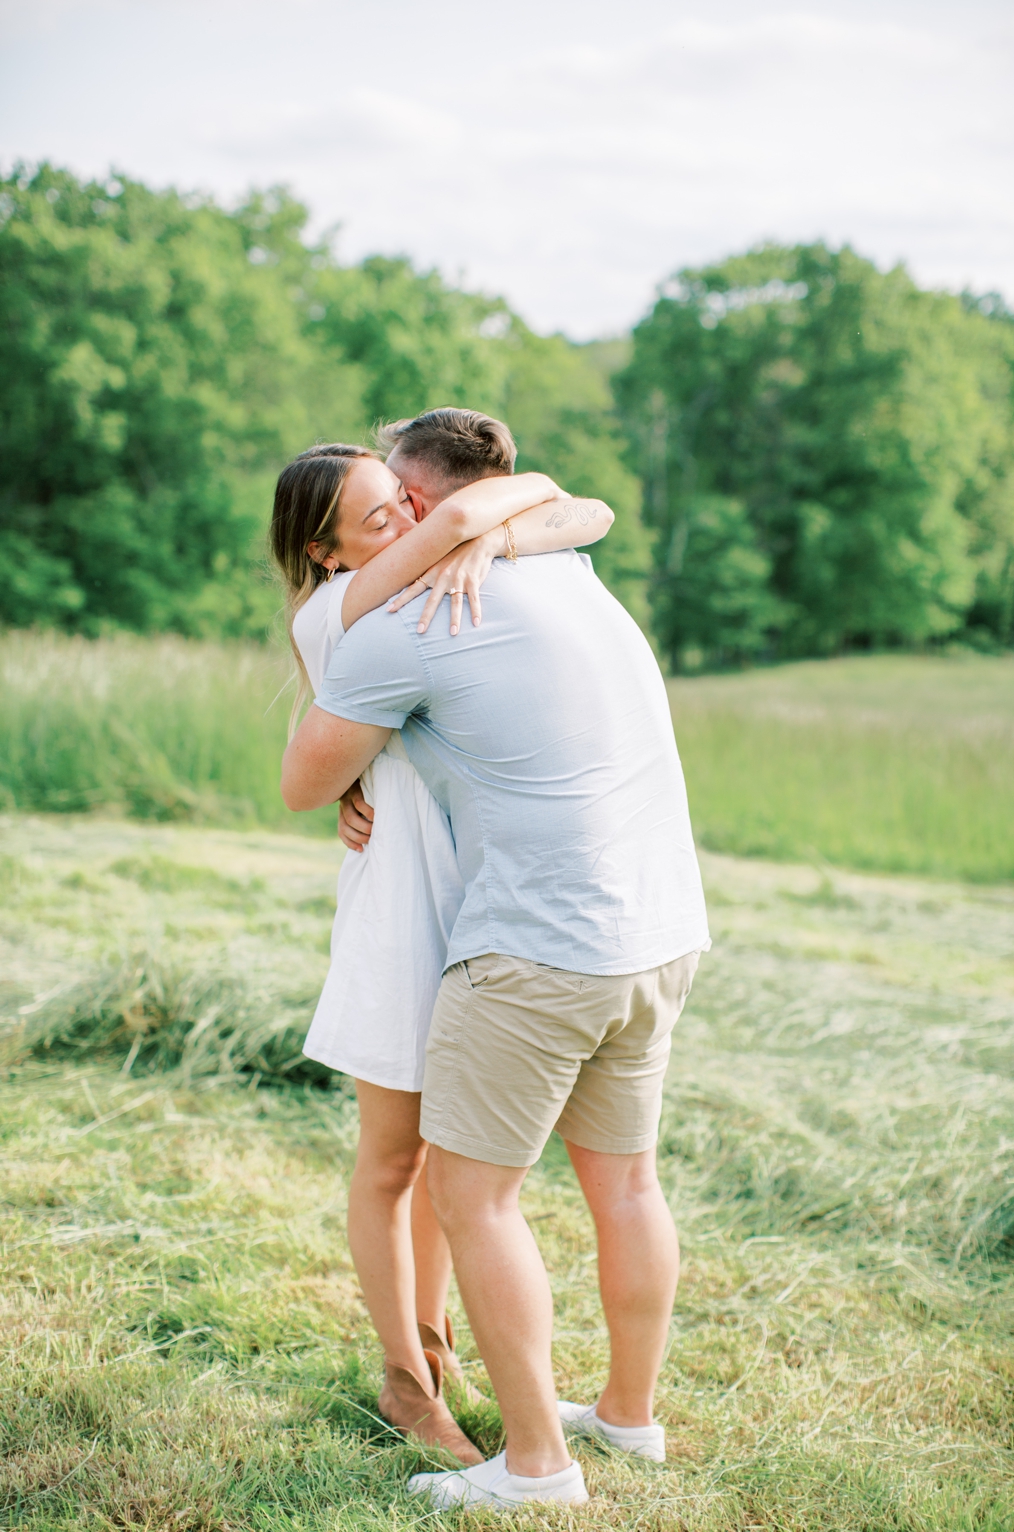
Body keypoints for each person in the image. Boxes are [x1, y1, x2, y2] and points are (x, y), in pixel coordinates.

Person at [282, 407, 711, 1510]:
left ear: (419, 503)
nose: (398, 524)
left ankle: (534, 1465)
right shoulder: (567, 563)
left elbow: (298, 772)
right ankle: (626, 1416)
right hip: (658, 925)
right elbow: (566, 503)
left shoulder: (416, 611)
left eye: (398, 506)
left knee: (473, 1195)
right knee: (625, 1182)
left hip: (534, 943)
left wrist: (342, 779)